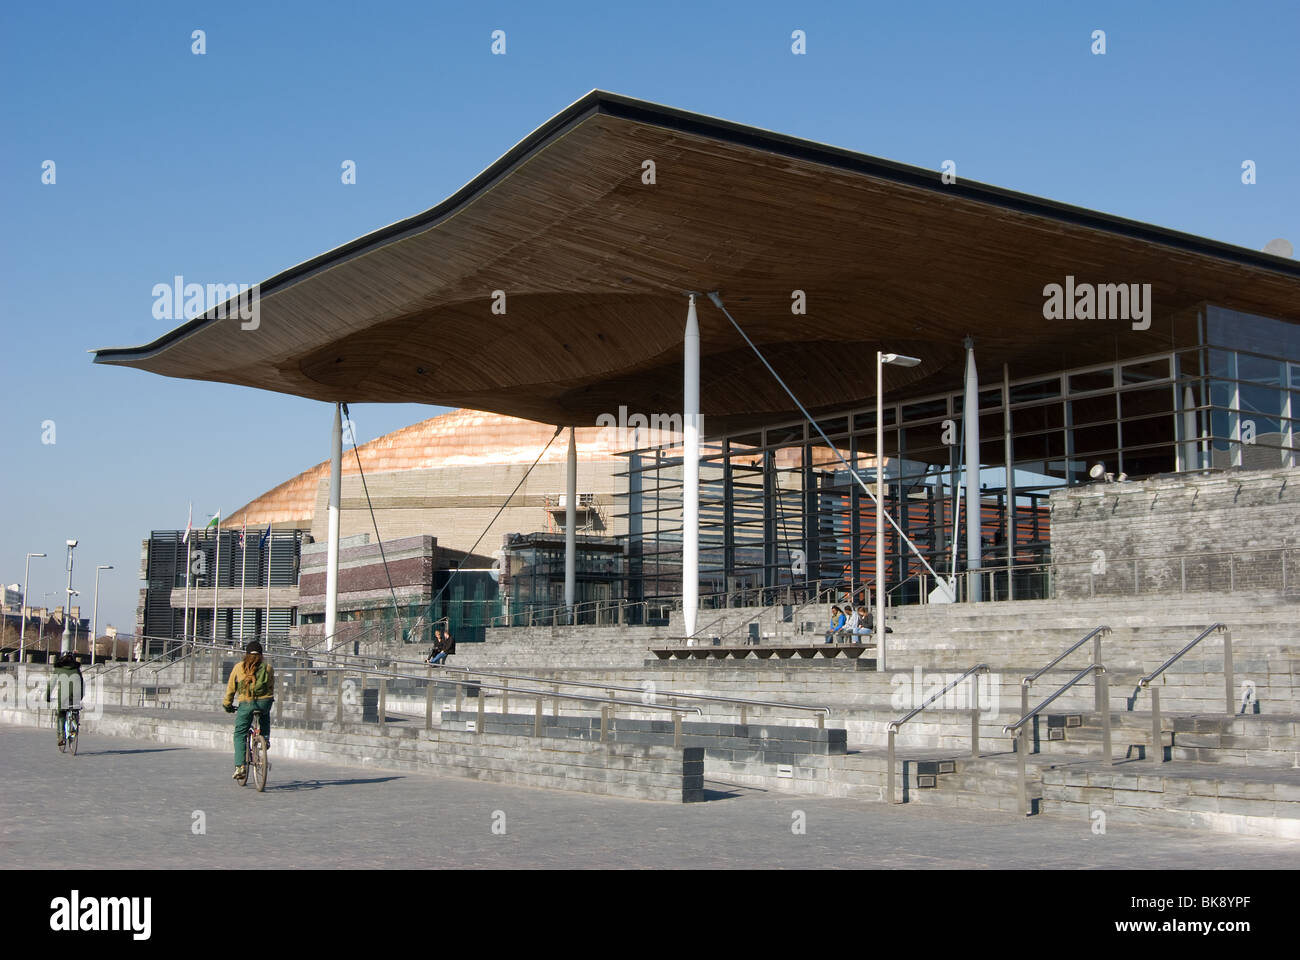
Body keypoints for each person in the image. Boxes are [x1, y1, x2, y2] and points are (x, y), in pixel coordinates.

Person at [221, 640, 275, 781]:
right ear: (262, 655)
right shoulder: (268, 668)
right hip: (264, 702)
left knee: (239, 734)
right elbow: (270, 688)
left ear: (246, 654)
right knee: (265, 715)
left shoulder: (239, 667)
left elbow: (231, 689)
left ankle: (240, 767)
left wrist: (227, 705)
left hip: (246, 703)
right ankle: (266, 738)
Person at [46, 652, 84, 746]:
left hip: (63, 696)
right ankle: (74, 727)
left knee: (61, 714)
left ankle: (61, 736)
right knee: (75, 710)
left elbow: (52, 684)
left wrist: (47, 696)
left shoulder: (58, 668)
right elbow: (81, 682)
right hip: (76, 694)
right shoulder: (76, 668)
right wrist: (81, 695)